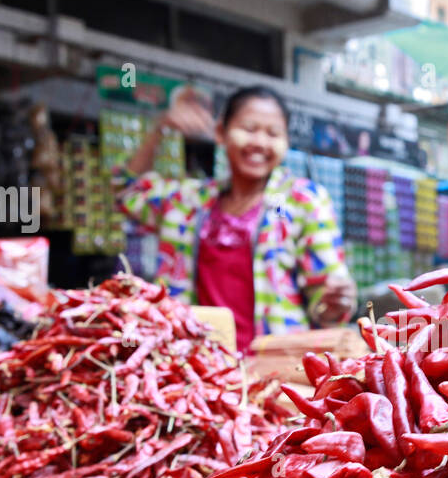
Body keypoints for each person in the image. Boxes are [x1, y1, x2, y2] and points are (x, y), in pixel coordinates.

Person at [114, 85, 356, 352]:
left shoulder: (301, 201)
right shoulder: (189, 203)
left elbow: (326, 307)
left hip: (274, 368)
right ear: (221, 132)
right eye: (249, 129)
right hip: (196, 366)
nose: (260, 143)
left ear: (286, 143)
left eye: (273, 133)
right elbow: (126, 191)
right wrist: (161, 127)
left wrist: (336, 303)